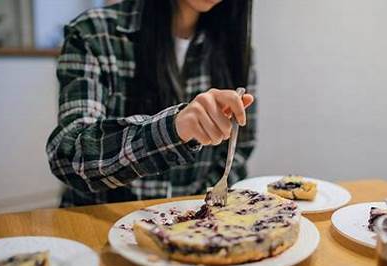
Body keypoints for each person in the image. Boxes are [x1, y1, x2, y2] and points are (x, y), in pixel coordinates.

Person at [46, 0, 257, 206]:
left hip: (190, 224)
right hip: (99, 220)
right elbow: (69, 156)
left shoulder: (233, 44)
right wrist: (173, 129)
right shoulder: (93, 33)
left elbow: (241, 145)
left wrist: (197, 209)